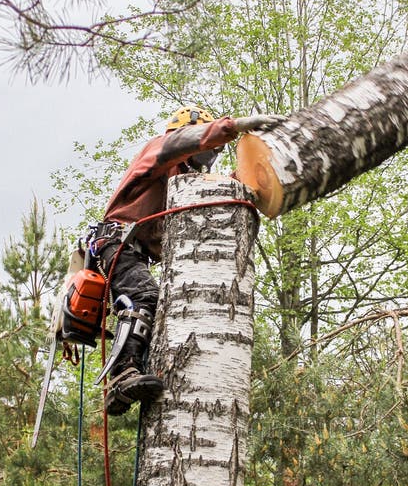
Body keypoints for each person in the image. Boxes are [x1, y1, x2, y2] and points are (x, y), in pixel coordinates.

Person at [93, 106, 281, 415]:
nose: (210, 155)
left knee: (161, 307)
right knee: (145, 296)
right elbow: (181, 142)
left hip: (134, 251)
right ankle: (121, 377)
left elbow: (217, 195)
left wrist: (252, 179)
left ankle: (136, 371)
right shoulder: (159, 152)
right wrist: (232, 127)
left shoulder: (186, 182)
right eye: (209, 146)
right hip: (117, 243)